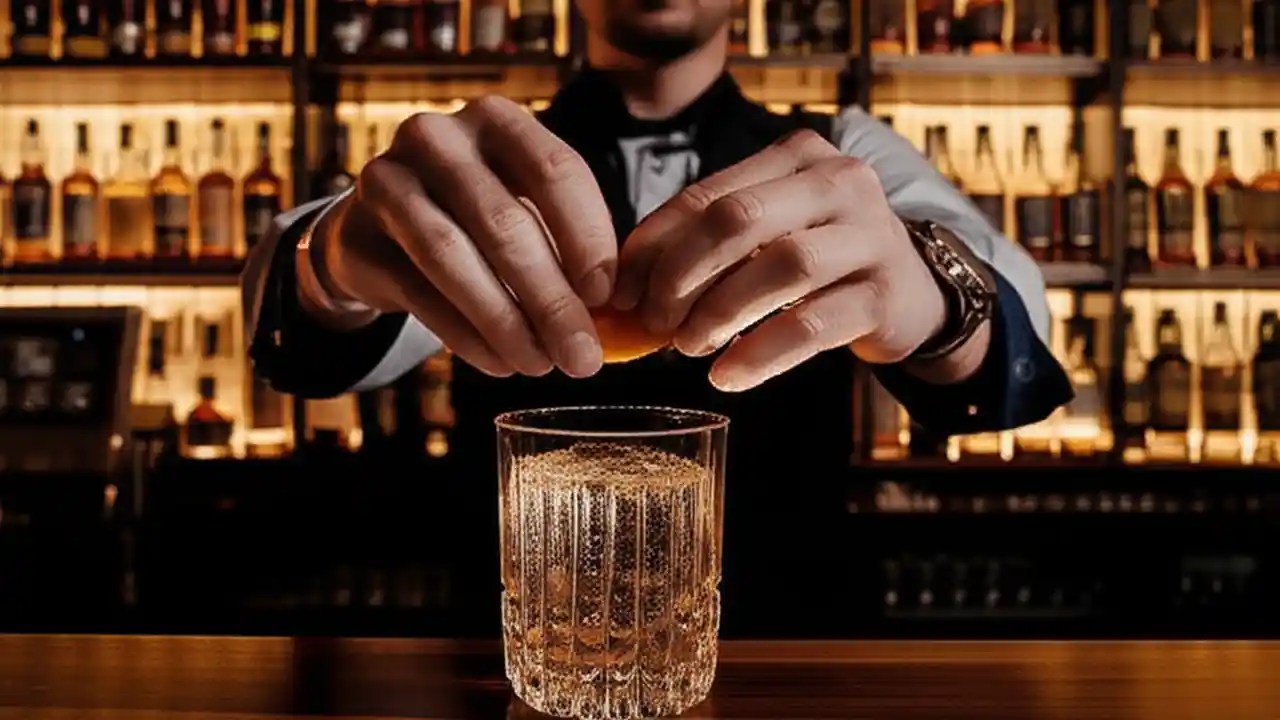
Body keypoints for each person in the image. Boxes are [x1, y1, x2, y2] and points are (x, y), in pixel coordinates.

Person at [242, 0, 1072, 636]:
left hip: (796, 646)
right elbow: (302, 329)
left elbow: (1012, 307)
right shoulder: (483, 161)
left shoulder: (845, 152)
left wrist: (931, 298)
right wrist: (334, 258)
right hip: (519, 650)